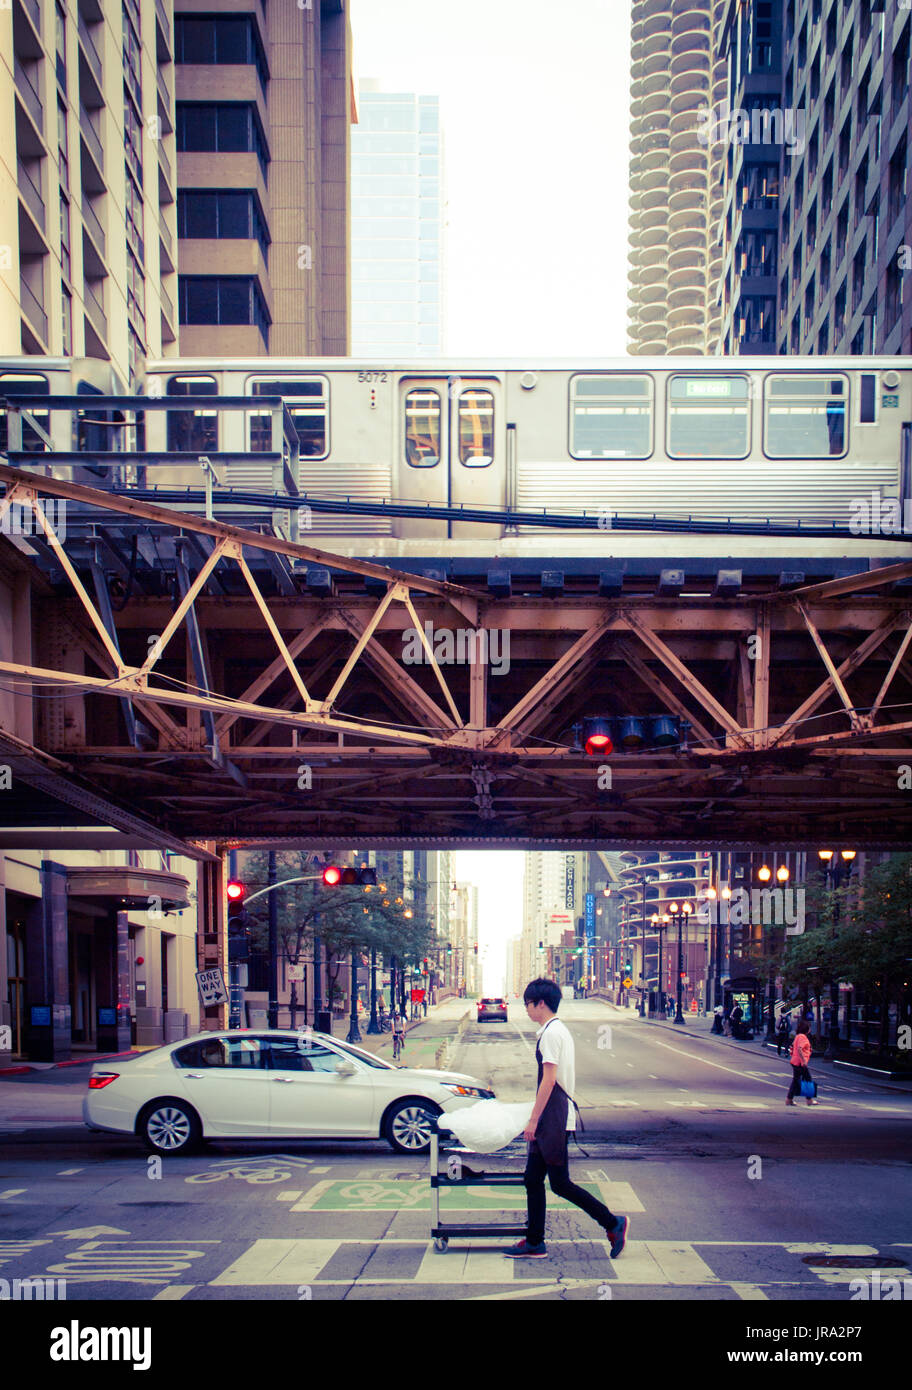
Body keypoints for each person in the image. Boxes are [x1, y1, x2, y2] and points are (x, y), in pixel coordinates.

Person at [504, 978, 628, 1261]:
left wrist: (533, 1120)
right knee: (532, 1179)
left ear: (541, 1003)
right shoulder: (556, 1030)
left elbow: (549, 1080)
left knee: (559, 1183)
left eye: (528, 1004)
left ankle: (612, 1223)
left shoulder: (550, 1034)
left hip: (552, 1120)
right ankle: (535, 1241)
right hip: (555, 1117)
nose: (526, 1010)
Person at [786, 1019, 817, 1106]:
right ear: (806, 1029)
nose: (810, 1029)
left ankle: (789, 1099)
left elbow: (792, 1048)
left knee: (796, 1080)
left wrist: (794, 1056)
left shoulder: (797, 1036)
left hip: (795, 1062)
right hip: (800, 1063)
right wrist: (803, 1060)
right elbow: (800, 1049)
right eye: (809, 1028)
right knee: (808, 1080)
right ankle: (809, 1100)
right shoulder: (803, 1037)